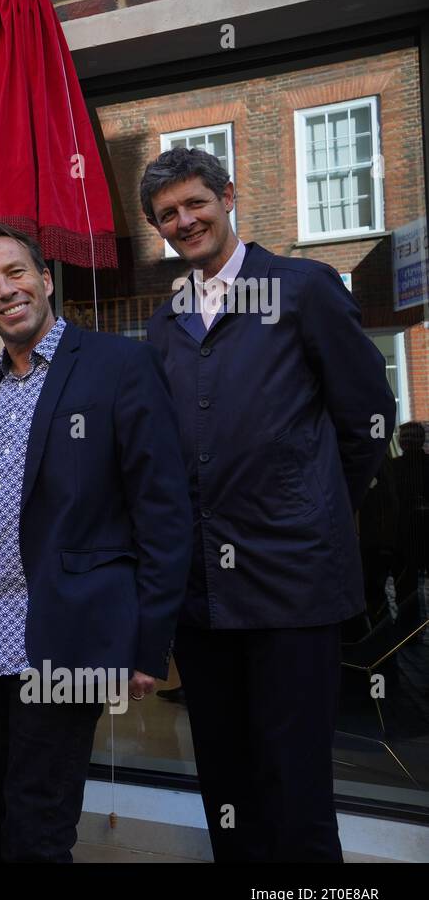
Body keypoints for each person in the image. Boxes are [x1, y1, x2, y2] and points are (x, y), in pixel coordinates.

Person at [140, 147, 396, 862]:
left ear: (227, 195)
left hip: (293, 586)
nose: (185, 221)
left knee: (297, 792)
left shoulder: (305, 287)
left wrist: (310, 505)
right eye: (168, 215)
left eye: (195, 203)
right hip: (203, 599)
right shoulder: (164, 324)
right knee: (226, 787)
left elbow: (367, 417)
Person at [0, 221, 191, 862]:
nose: (5, 290)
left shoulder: (118, 366)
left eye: (16, 272)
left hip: (65, 642)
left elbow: (161, 512)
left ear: (46, 280)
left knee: (39, 822)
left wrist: (148, 645)